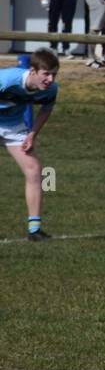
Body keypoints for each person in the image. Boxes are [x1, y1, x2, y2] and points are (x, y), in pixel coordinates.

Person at [0, 49, 59, 240]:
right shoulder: (7, 80)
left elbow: (45, 110)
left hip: (13, 126)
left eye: (53, 74)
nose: (50, 79)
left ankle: (34, 230)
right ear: (32, 71)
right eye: (46, 74)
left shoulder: (50, 89)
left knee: (34, 170)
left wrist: (32, 134)